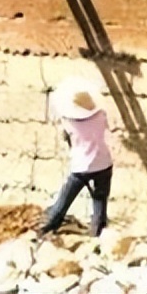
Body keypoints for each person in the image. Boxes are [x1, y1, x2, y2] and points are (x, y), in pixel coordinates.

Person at [39, 79, 113, 237]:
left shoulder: (70, 122)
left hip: (82, 167)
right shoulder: (101, 115)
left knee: (63, 202)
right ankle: (97, 235)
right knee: (100, 202)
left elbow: (67, 139)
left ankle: (47, 228)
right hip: (103, 163)